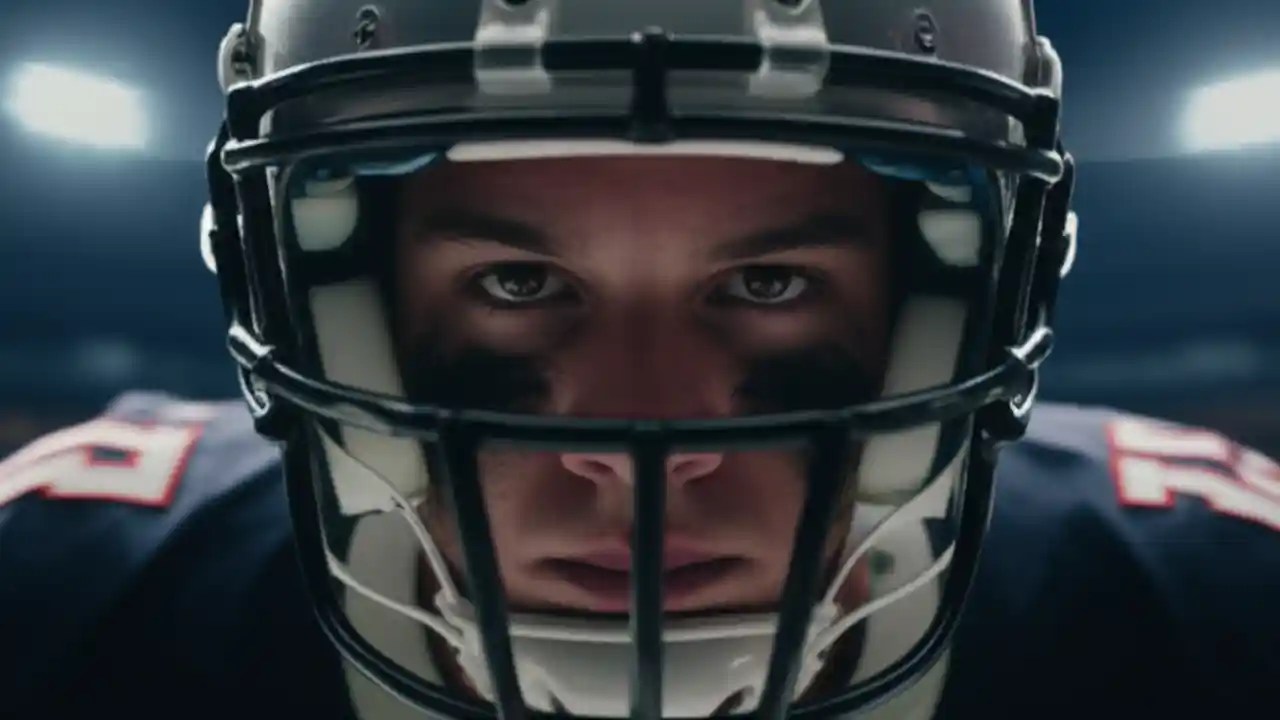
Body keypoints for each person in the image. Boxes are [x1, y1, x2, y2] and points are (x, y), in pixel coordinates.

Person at [2, 1, 1278, 718]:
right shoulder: (58, 592)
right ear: (328, 298)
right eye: (518, 285)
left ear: (946, 302)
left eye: (767, 285)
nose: (644, 447)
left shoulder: (1213, 598)